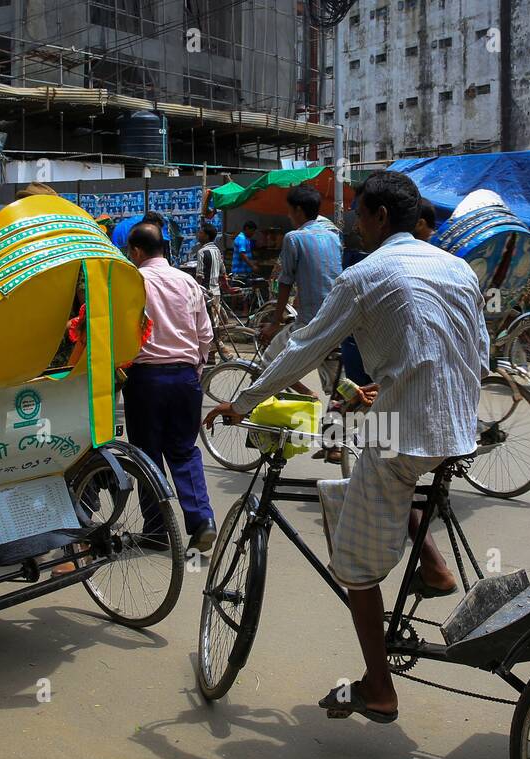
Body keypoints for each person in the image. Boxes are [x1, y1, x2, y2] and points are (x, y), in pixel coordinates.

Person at [205, 171, 490, 724]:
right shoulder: (455, 267)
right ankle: (432, 567)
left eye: (359, 212)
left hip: (409, 432)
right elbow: (475, 351)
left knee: (356, 567)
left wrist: (242, 403)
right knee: (364, 464)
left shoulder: (367, 274)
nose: (353, 224)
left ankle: (378, 689)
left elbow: (304, 350)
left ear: (381, 217)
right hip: (457, 425)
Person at [123, 223, 218, 553]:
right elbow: (205, 334)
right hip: (185, 378)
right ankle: (202, 519)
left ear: (136, 251)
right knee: (183, 451)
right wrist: (195, 366)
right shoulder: (187, 281)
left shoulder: (133, 282)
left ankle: (156, 528)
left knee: (147, 456)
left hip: (145, 379)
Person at [260, 186, 343, 380]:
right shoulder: (333, 237)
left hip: (310, 323)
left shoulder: (293, 238)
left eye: (289, 211)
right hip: (336, 318)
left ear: (297, 210)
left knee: (268, 362)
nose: (289, 216)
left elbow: (286, 281)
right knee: (338, 387)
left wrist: (275, 321)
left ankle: (308, 396)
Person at [194, 222, 234, 362]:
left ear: (206, 235)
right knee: (214, 322)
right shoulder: (217, 251)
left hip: (205, 293)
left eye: (200, 232)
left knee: (205, 324)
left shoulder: (201, 252)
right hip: (216, 292)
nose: (198, 234)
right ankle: (211, 355)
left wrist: (194, 291)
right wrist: (227, 287)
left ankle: (220, 348)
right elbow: (223, 273)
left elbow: (199, 275)